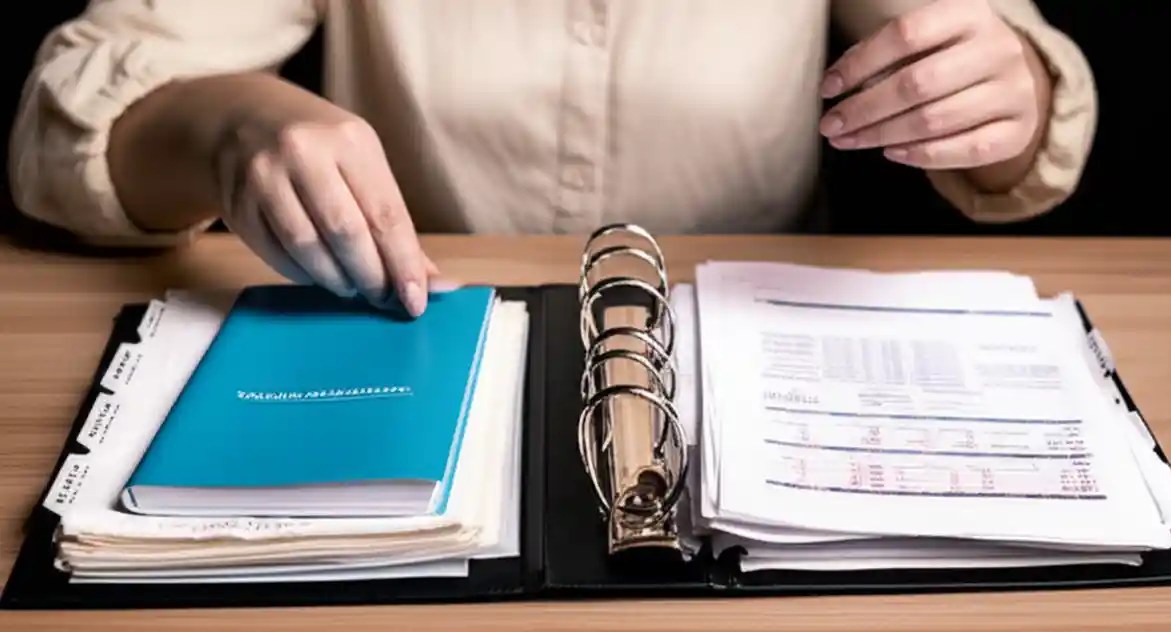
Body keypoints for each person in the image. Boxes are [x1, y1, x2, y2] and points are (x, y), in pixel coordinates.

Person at [9, 0, 1095, 317]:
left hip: (751, 342)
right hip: (419, 334)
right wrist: (227, 123)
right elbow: (75, 112)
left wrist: (1008, 87)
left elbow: (1011, 112)